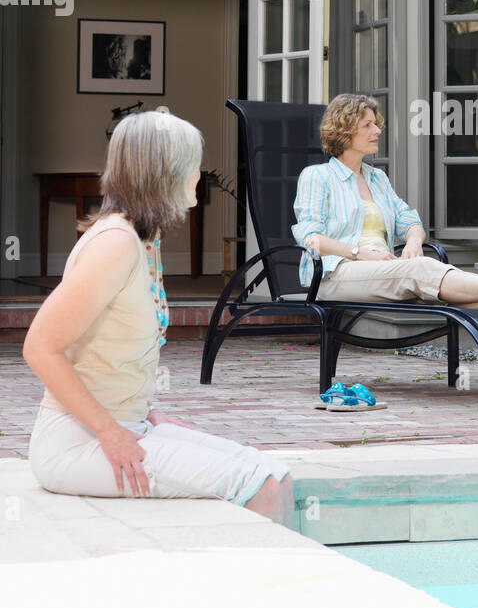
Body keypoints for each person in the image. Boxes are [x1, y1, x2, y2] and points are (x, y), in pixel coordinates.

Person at [24, 110, 294, 524]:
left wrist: (141, 411)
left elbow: (108, 349)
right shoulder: (114, 244)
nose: (198, 176)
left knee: (273, 472)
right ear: (163, 173)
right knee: (263, 484)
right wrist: (111, 432)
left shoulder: (141, 239)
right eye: (191, 165)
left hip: (125, 424)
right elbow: (41, 348)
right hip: (76, 442)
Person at [292, 93, 478, 322]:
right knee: (420, 270)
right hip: (334, 275)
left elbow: (410, 221)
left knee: (422, 274)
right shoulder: (317, 176)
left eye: (376, 123)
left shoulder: (377, 178)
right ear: (344, 130)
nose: (377, 131)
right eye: (367, 125)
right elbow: (311, 239)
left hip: (384, 271)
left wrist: (413, 243)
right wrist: (361, 254)